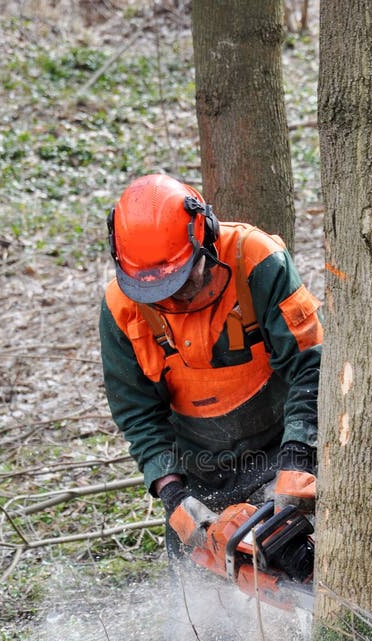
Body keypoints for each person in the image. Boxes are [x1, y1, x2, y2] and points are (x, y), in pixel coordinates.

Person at [99, 172, 322, 560]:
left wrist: (298, 458)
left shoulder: (255, 259)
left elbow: (310, 365)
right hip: (198, 469)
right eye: (156, 291)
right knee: (199, 588)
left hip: (279, 442)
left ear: (203, 235)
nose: (172, 298)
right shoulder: (122, 308)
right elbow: (137, 413)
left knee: (304, 566)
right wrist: (173, 495)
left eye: (182, 281)